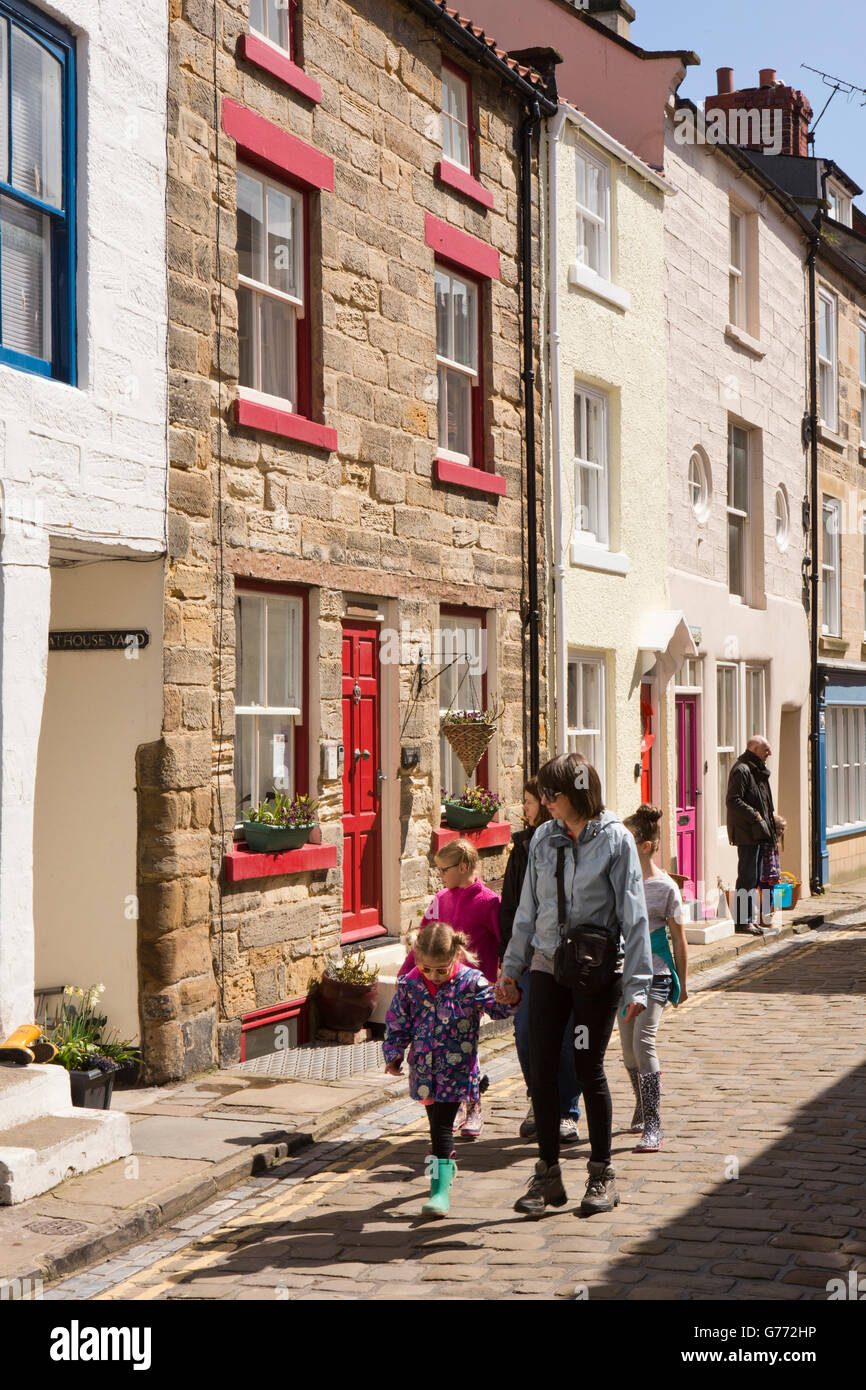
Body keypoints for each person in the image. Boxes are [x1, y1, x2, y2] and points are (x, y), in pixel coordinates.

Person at [496, 753, 652, 1218]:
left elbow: (635, 916)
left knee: (586, 1067)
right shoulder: (542, 839)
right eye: (542, 793)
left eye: (551, 793)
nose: (543, 801)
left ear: (578, 794)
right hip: (547, 965)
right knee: (541, 1071)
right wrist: (511, 969)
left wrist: (637, 986)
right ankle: (547, 1175)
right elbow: (527, 911)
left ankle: (601, 1172)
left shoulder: (616, 841)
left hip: (594, 971)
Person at [383, 921, 517, 1218]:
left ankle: (439, 1192)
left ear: (456, 955)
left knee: (441, 1129)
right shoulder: (410, 985)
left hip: (457, 1072)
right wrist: (393, 1054)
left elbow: (498, 1008)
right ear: (417, 959)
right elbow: (397, 1023)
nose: (433, 975)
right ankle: (446, 1171)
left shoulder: (471, 982)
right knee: (436, 1126)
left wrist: (509, 996)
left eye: (441, 969)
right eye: (426, 968)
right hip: (423, 1073)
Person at [399, 838, 500, 1139]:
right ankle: (453, 1104)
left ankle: (473, 1108)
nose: (440, 875)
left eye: (444, 869)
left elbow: (505, 941)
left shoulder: (490, 902)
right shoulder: (440, 900)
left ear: (464, 867)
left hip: (472, 990)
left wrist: (506, 978)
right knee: (445, 1048)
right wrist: (406, 976)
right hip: (436, 987)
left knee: (465, 1046)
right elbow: (422, 944)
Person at [500, 777, 582, 1145]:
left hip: (578, 958)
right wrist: (509, 967)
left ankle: (566, 1110)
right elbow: (514, 910)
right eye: (533, 801)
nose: (529, 808)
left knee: (569, 1037)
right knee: (526, 1032)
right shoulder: (524, 847)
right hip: (534, 955)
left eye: (532, 801)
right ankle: (539, 1099)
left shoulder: (599, 841)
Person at [620, 804, 689, 1153]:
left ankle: (654, 1123)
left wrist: (685, 984)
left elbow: (679, 938)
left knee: (644, 1044)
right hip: (624, 977)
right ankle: (641, 1104)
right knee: (628, 1052)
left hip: (657, 974)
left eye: (628, 840)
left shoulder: (666, 889)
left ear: (645, 846)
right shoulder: (620, 884)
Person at [726, 736, 777, 936]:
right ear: (754, 749)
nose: (769, 753)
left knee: (753, 878)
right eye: (766, 749)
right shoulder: (742, 770)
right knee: (747, 877)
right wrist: (755, 816)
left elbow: (762, 801)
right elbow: (732, 800)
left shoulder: (756, 770)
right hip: (746, 833)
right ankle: (742, 922)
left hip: (756, 833)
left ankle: (748, 919)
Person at [758, 814, 787, 926]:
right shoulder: (768, 844)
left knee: (769, 896)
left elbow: (776, 862)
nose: (782, 831)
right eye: (780, 828)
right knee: (767, 896)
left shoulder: (773, 843)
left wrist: (777, 875)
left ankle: (766, 918)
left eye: (783, 828)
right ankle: (763, 919)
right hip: (766, 875)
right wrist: (773, 875)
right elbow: (769, 862)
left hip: (771, 876)